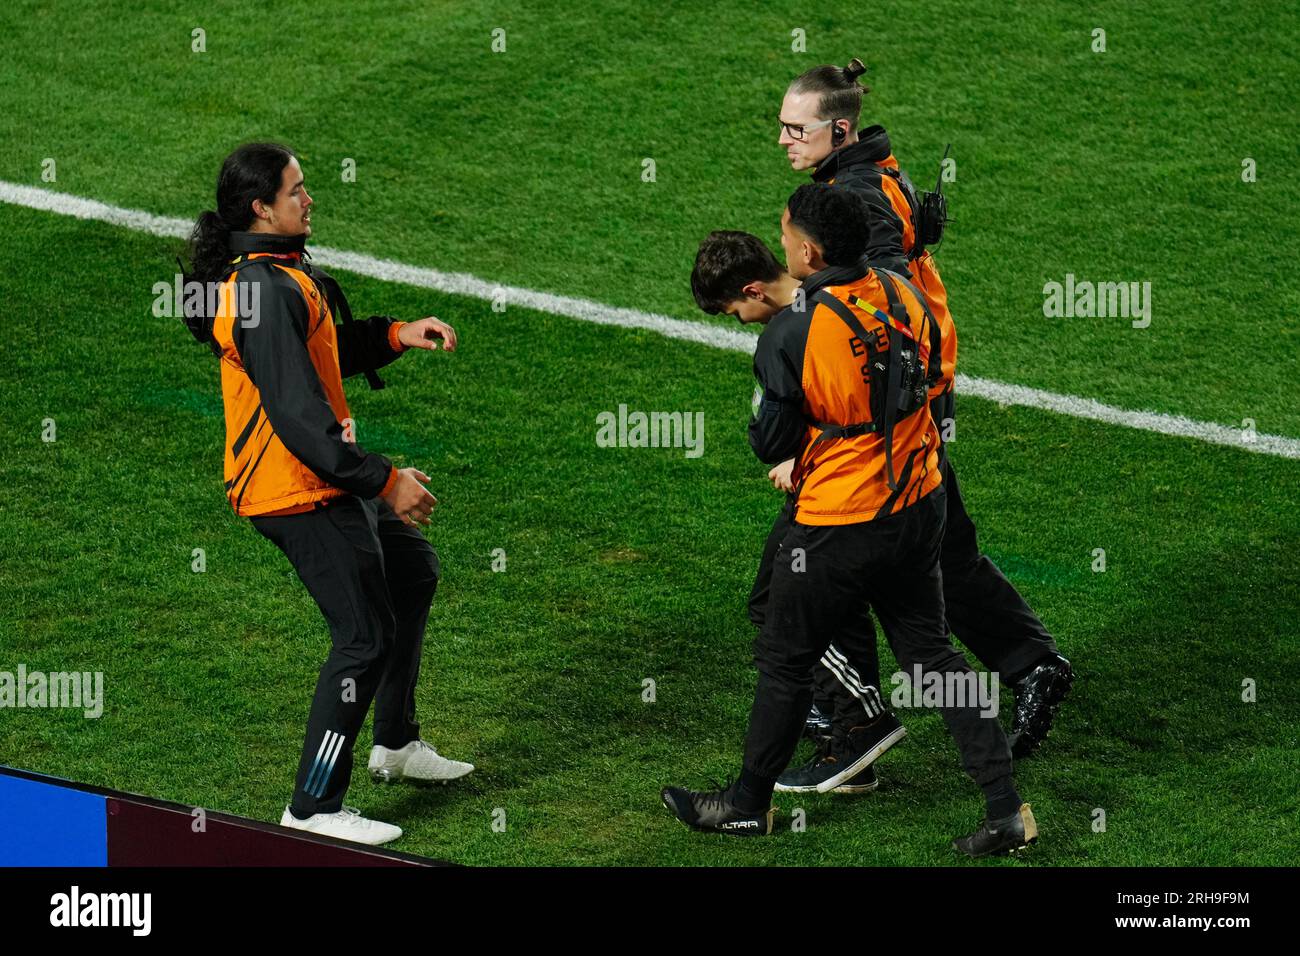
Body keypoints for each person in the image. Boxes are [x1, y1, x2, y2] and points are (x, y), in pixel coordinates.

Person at [664, 185, 1038, 856]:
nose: (781, 242)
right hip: (920, 501)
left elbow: (772, 444)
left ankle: (747, 805)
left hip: (840, 521)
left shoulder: (791, 331)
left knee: (783, 658)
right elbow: (928, 373)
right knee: (932, 657)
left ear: (809, 250)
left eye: (786, 235)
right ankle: (1006, 808)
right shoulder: (902, 289)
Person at [778, 58, 1073, 758]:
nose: (784, 141)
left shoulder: (859, 196)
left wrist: (878, 404)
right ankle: (1023, 667)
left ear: (839, 129)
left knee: (837, 550)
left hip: (892, 405)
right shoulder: (870, 172)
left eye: (797, 129)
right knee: (929, 546)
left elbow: (888, 303)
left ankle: (852, 718)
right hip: (917, 392)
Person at [183, 142, 473, 846]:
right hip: (296, 489)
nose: (309, 198)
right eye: (297, 189)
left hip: (319, 476)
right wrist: (384, 480)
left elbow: (319, 355)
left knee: (413, 574)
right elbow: (298, 419)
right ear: (261, 207)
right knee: (362, 637)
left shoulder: (277, 274)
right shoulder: (264, 290)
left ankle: (395, 743)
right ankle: (312, 804)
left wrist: (393, 335)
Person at [691, 230, 905, 796]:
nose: (736, 319)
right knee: (839, 610)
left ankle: (862, 719)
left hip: (835, 491)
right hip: (879, 476)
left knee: (776, 610)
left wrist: (793, 453)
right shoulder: (842, 295)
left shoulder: (786, 333)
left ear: (753, 288)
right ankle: (850, 743)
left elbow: (774, 433)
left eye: (733, 307)